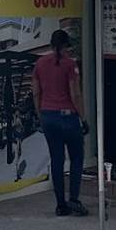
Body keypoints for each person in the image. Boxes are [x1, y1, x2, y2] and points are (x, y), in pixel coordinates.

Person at [30, 28, 88, 217]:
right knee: (77, 157)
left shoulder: (39, 63)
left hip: (48, 116)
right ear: (65, 46)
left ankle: (60, 205)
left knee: (56, 159)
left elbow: (36, 92)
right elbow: (75, 93)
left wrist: (40, 113)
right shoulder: (70, 65)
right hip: (68, 117)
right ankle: (74, 199)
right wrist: (83, 117)